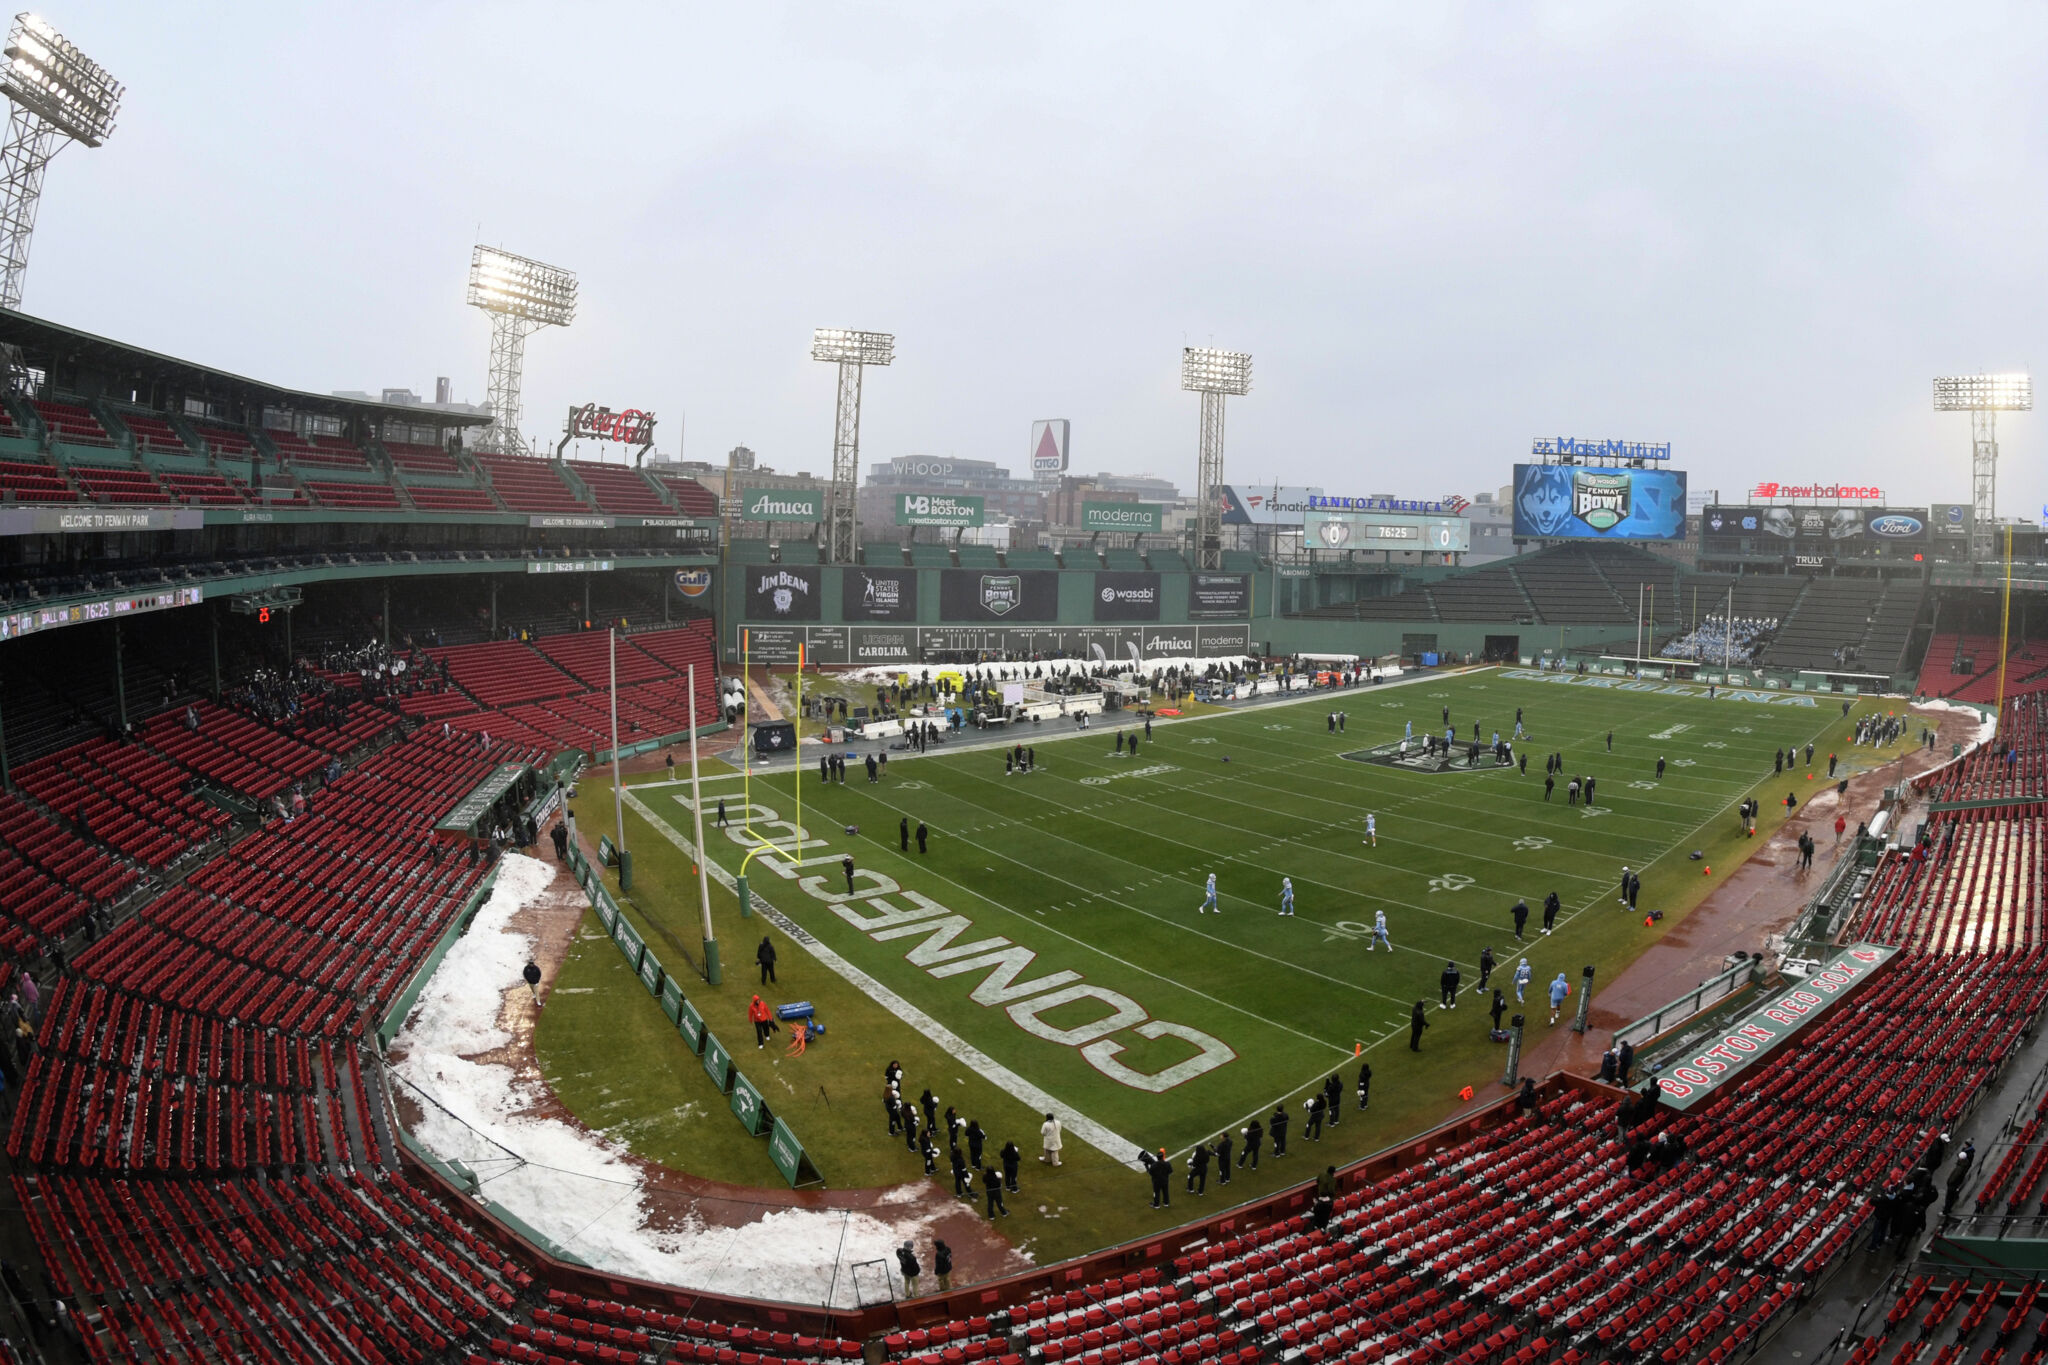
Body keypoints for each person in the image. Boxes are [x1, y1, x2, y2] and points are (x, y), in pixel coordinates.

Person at [1312, 1165, 1338, 1230]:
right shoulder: (1332, 1180)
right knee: (1324, 1215)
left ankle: (1316, 1226)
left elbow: (1317, 1181)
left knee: (1318, 1213)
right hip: (1325, 1199)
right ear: (1333, 1172)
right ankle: (1322, 1228)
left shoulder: (1322, 1174)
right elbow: (1331, 1190)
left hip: (1320, 1195)